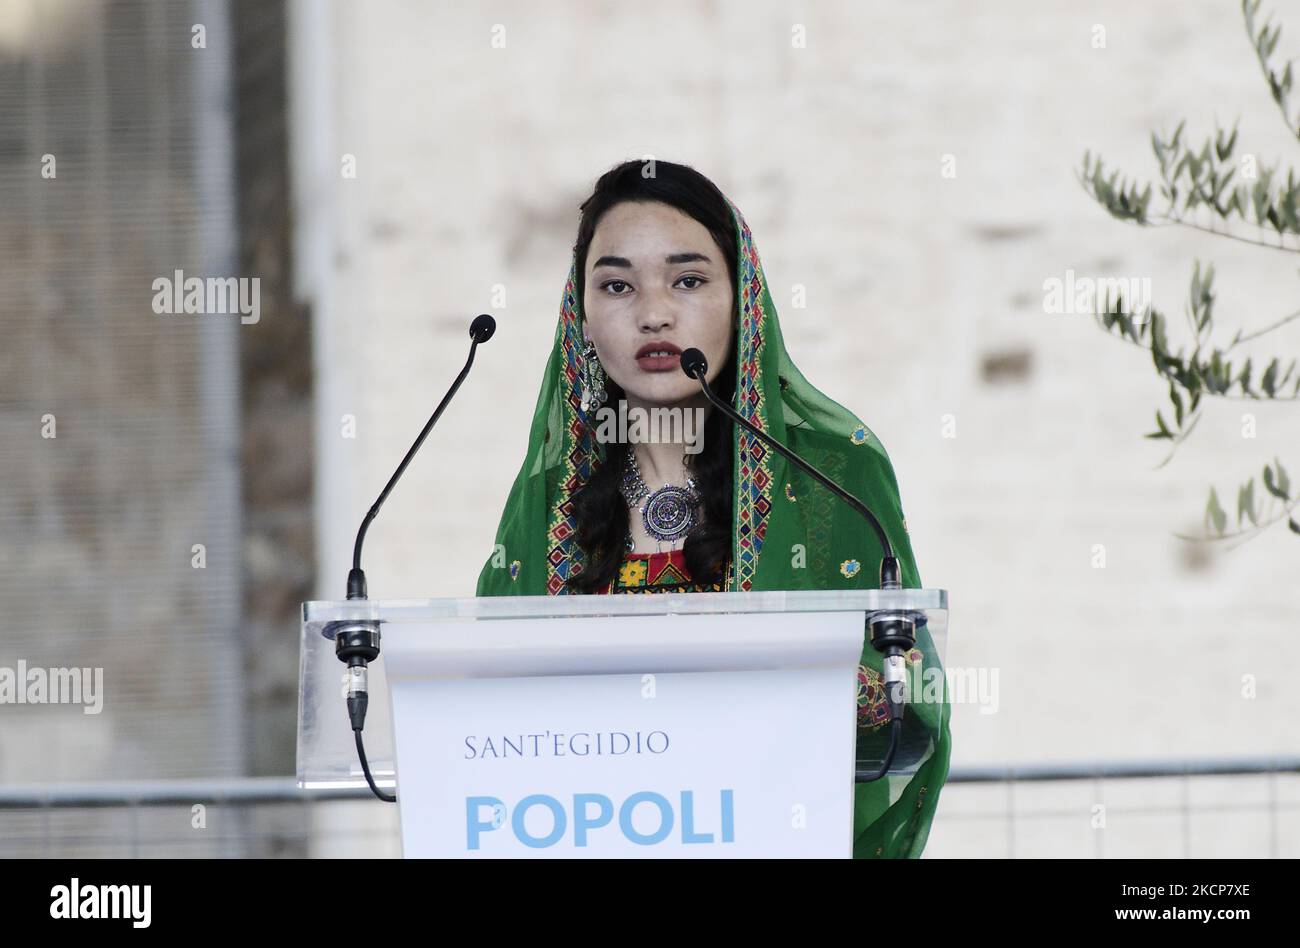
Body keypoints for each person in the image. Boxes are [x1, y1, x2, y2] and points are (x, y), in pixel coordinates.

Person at [476, 158, 951, 857]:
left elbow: (903, 705)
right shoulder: (550, 503)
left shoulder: (830, 475)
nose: (653, 312)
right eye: (616, 285)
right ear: (581, 315)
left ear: (744, 298)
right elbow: (488, 722)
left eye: (689, 280)